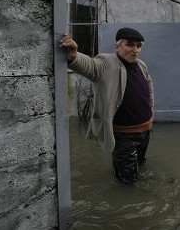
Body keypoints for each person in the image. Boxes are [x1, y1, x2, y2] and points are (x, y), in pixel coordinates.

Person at [60, 28, 154, 184]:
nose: (135, 50)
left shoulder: (141, 65)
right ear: (117, 47)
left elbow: (149, 89)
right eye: (130, 45)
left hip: (145, 131)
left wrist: (151, 112)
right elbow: (90, 65)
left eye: (138, 46)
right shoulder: (106, 62)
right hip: (123, 137)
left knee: (141, 165)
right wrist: (74, 56)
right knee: (127, 181)